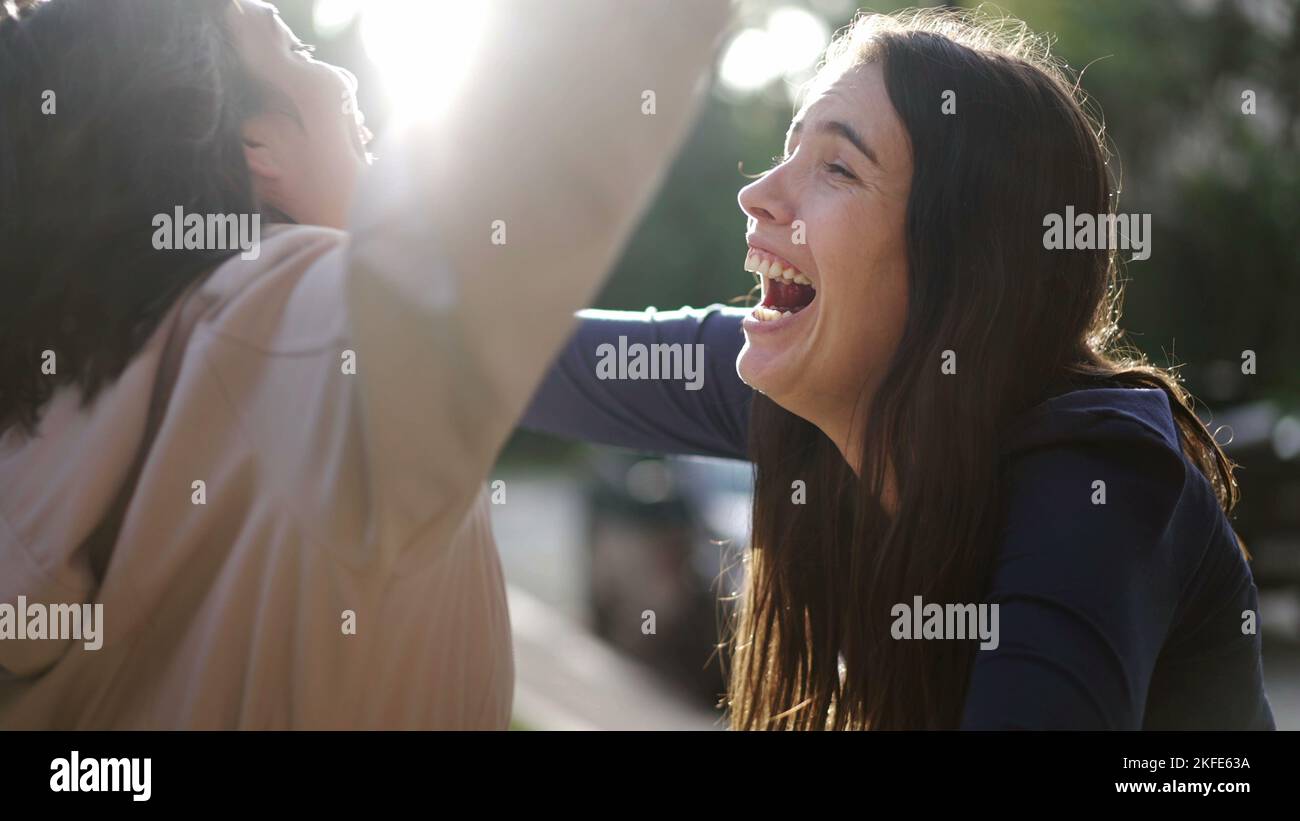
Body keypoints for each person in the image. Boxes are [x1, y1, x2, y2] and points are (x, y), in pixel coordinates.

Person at [524, 8, 1275, 730]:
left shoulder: (1100, 479)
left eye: (838, 169)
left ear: (964, 272)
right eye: (788, 149)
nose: (757, 195)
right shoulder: (815, 379)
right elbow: (510, 361)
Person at [0, 0, 728, 728]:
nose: (340, 72)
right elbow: (514, 179)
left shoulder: (70, 387)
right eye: (294, 48)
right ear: (255, 143)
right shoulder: (286, 337)